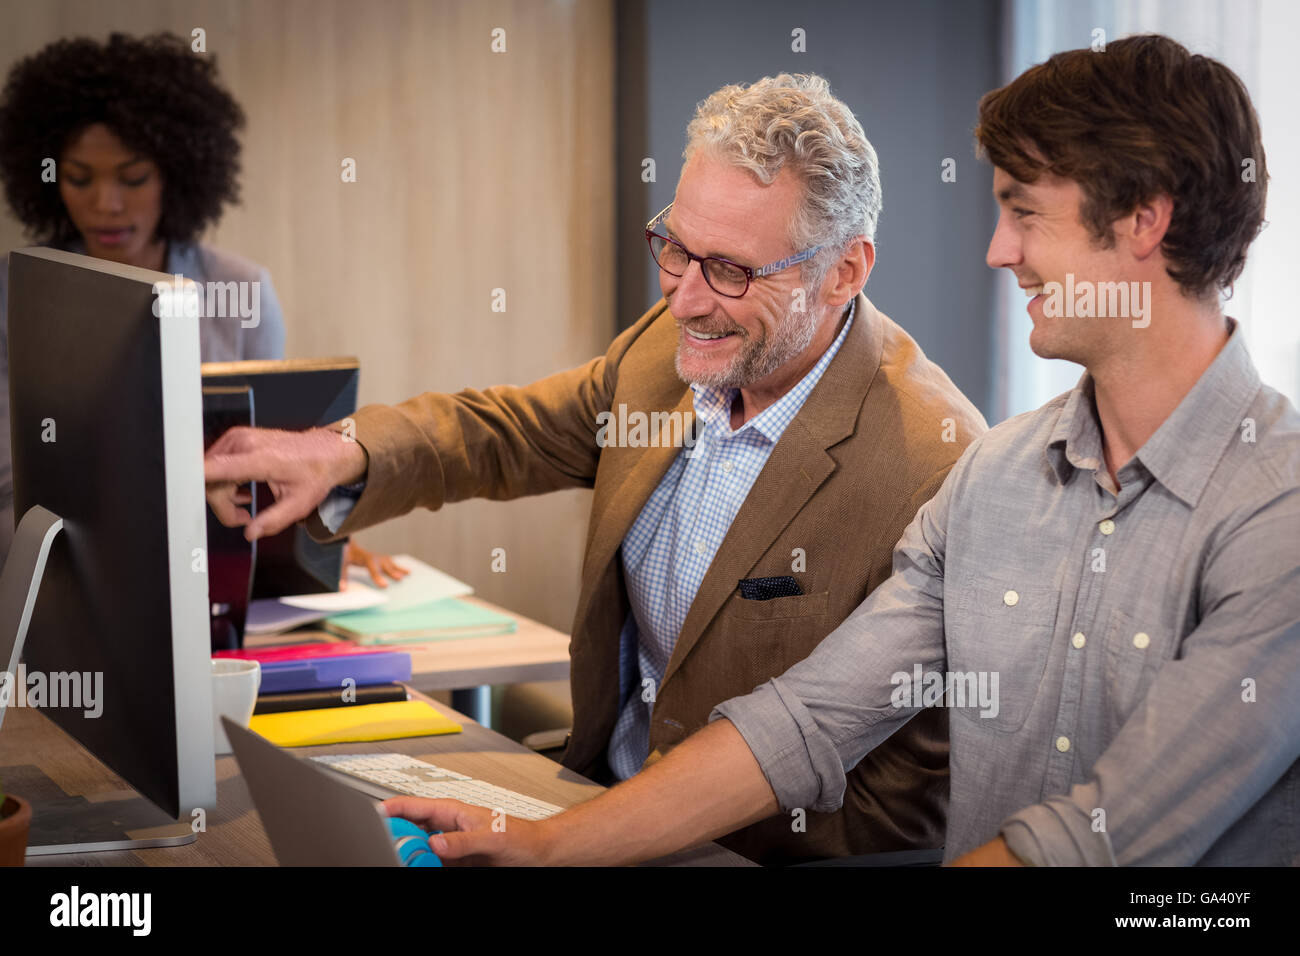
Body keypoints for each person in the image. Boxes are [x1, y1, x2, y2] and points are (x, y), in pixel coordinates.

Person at [365, 35, 1296, 866]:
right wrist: (546, 846)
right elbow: (804, 721)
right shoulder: (1000, 479)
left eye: (1026, 212)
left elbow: (1112, 832)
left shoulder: (1277, 510)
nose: (998, 250)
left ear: (1144, 221)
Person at [205, 74, 987, 863]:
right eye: (676, 248)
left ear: (846, 271)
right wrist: (343, 448)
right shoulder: (668, 348)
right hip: (594, 808)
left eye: (732, 270)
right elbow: (505, 431)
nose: (684, 300)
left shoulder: (933, 459)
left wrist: (602, 839)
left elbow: (902, 785)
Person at [0, 32, 399, 586]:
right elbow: (10, 483)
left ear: (176, 172)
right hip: (62, 579)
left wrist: (322, 542)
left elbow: (273, 459)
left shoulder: (243, 291)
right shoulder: (17, 293)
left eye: (133, 177)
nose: (106, 203)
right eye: (78, 178)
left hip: (216, 578)